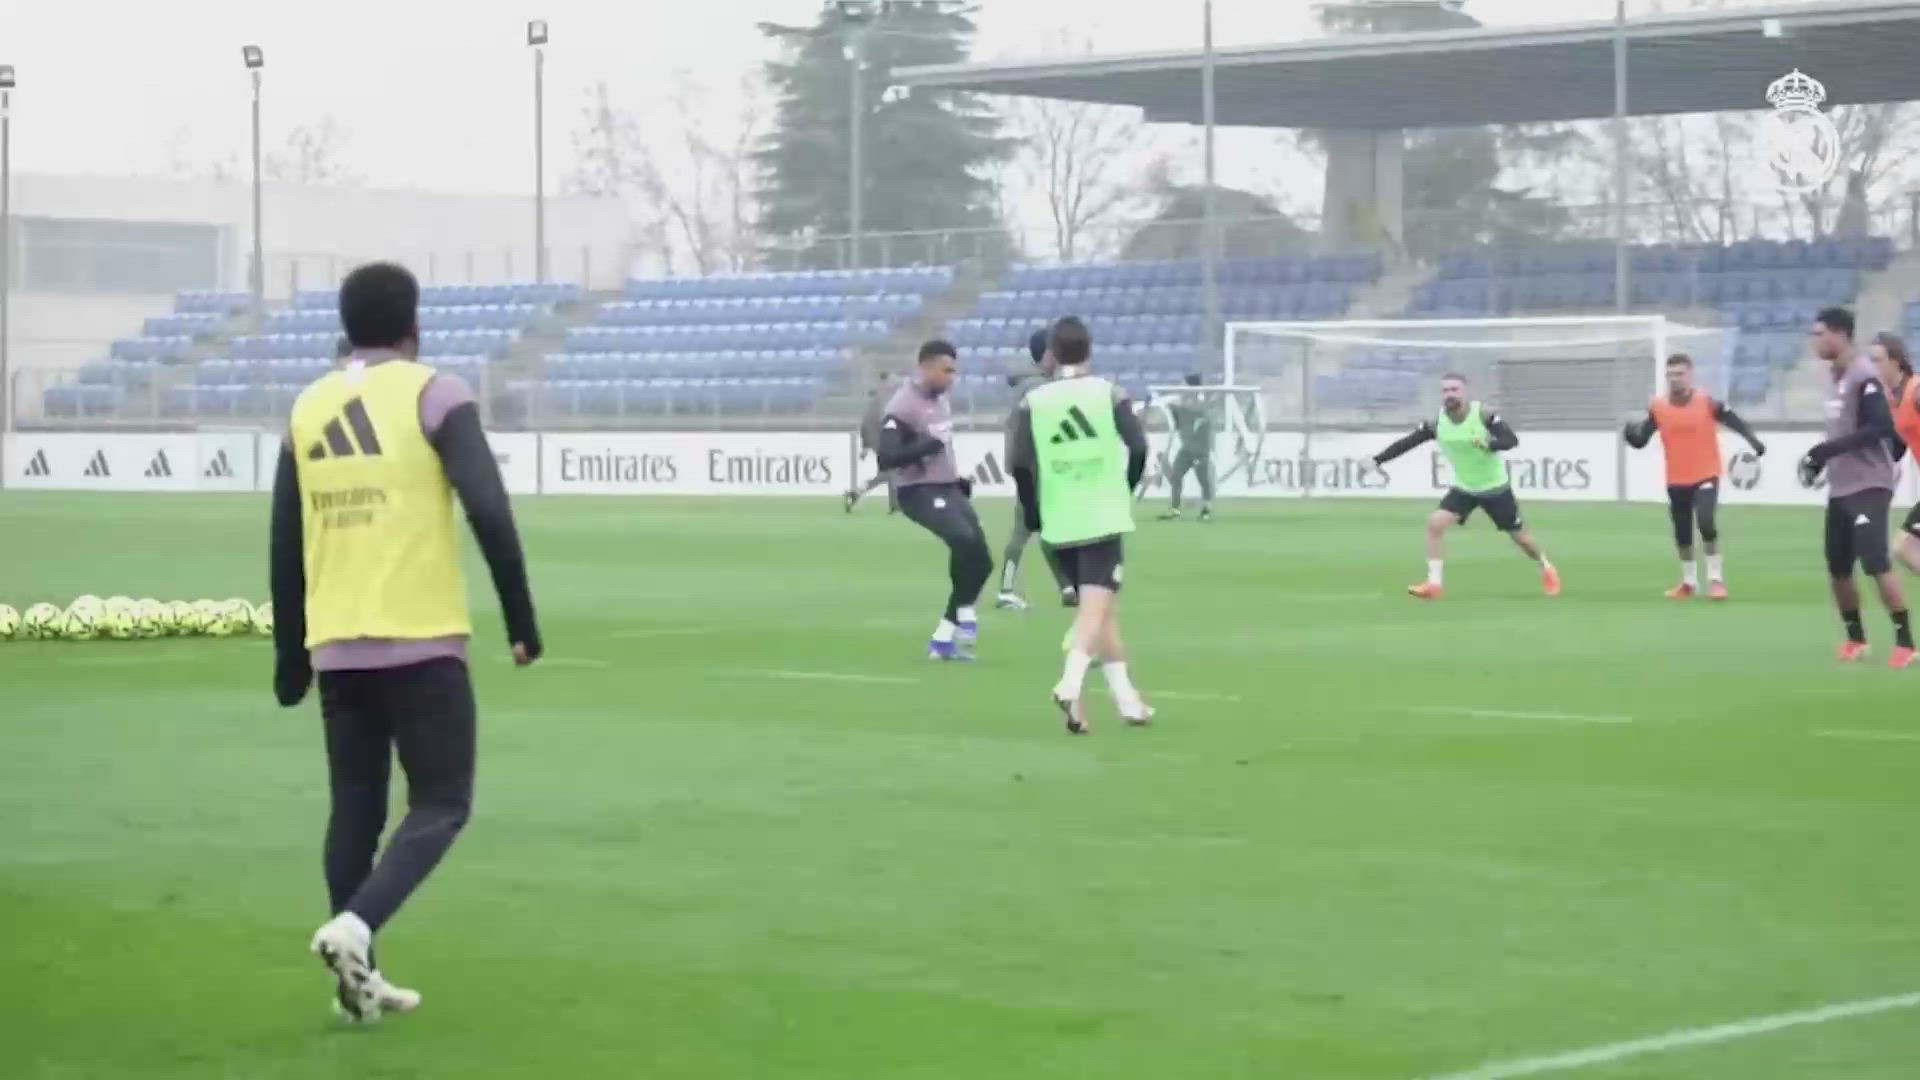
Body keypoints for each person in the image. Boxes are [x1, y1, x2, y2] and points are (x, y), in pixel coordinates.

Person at [270, 261, 542, 1023]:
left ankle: (357, 988)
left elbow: (284, 539)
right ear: (413, 325)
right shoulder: (436, 393)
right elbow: (488, 507)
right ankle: (354, 929)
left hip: (337, 644)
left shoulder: (306, 407)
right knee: (442, 802)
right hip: (420, 638)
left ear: (346, 326)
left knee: (355, 805)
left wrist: (291, 652)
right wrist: (520, 620)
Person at [1009, 316, 1152, 734]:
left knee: (1103, 614)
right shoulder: (1109, 393)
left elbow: (1018, 464)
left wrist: (1032, 510)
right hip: (1101, 515)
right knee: (1095, 609)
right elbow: (1139, 446)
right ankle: (1070, 683)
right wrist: (1125, 485)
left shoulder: (1034, 402)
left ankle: (1128, 702)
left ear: (1052, 353)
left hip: (1058, 516)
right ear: (1089, 350)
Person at [1372, 372, 1561, 600]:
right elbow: (1407, 443)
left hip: (1495, 489)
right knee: (1435, 524)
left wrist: (1489, 444)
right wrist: (1377, 460)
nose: (1449, 394)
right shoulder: (1438, 422)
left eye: (1454, 390)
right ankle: (1434, 584)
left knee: (1520, 538)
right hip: (1464, 489)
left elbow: (1511, 441)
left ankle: (1546, 566)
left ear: (1465, 392)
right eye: (1445, 390)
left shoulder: (1483, 415)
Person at [1800, 308, 1913, 667]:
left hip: (1869, 485)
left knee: (1875, 560)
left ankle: (1906, 642)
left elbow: (1878, 426)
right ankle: (1856, 639)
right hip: (1841, 487)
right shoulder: (1835, 378)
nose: (1815, 341)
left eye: (1819, 334)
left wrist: (1825, 451)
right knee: (1837, 566)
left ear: (1839, 334)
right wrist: (1819, 462)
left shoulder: (1864, 376)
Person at [874, 339, 994, 660]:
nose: (952, 377)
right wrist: (929, 445)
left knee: (982, 562)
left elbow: (942, 446)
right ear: (926, 368)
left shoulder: (941, 400)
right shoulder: (902, 405)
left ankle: (942, 641)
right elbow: (886, 458)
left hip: (946, 487)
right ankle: (965, 611)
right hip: (917, 492)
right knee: (962, 539)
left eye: (954, 370)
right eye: (947, 370)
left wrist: (957, 478)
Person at [1623, 353, 1766, 599]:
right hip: (1676, 478)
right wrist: (1631, 436)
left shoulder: (1706, 401)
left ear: (1690, 375)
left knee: (1706, 522)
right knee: (1682, 532)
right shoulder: (1659, 406)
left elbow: (1733, 420)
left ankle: (1715, 580)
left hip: (1706, 473)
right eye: (1671, 375)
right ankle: (1689, 582)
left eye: (1680, 374)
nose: (1675, 379)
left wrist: (1753, 441)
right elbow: (1643, 438)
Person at [996, 328, 1078, 610]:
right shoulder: (1038, 388)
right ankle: (1006, 590)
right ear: (1048, 353)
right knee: (1027, 528)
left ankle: (1068, 587)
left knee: (1049, 527)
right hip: (1034, 468)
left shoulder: (1032, 384)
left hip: (1033, 466)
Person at [1871, 332, 1920, 578]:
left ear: (1895, 361)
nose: (1874, 366)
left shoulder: (1916, 391)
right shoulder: (1893, 399)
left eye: (1878, 360)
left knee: (1904, 548)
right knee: (1904, 550)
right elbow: (1899, 444)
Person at [1157, 373, 1216, 522]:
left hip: (1200, 450)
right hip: (1186, 449)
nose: (1181, 387)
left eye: (1183, 384)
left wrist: (1175, 405)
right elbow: (1176, 419)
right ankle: (1175, 509)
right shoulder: (1182, 403)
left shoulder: (1200, 403)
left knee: (1203, 481)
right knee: (1176, 477)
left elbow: (1198, 412)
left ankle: (1206, 509)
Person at [846, 371, 898, 514]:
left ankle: (894, 506)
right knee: (889, 474)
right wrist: (866, 445)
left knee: (889, 474)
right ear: (886, 381)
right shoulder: (880, 400)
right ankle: (857, 492)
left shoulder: (884, 399)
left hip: (883, 442)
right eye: (892, 380)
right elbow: (867, 423)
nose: (895, 383)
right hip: (882, 443)